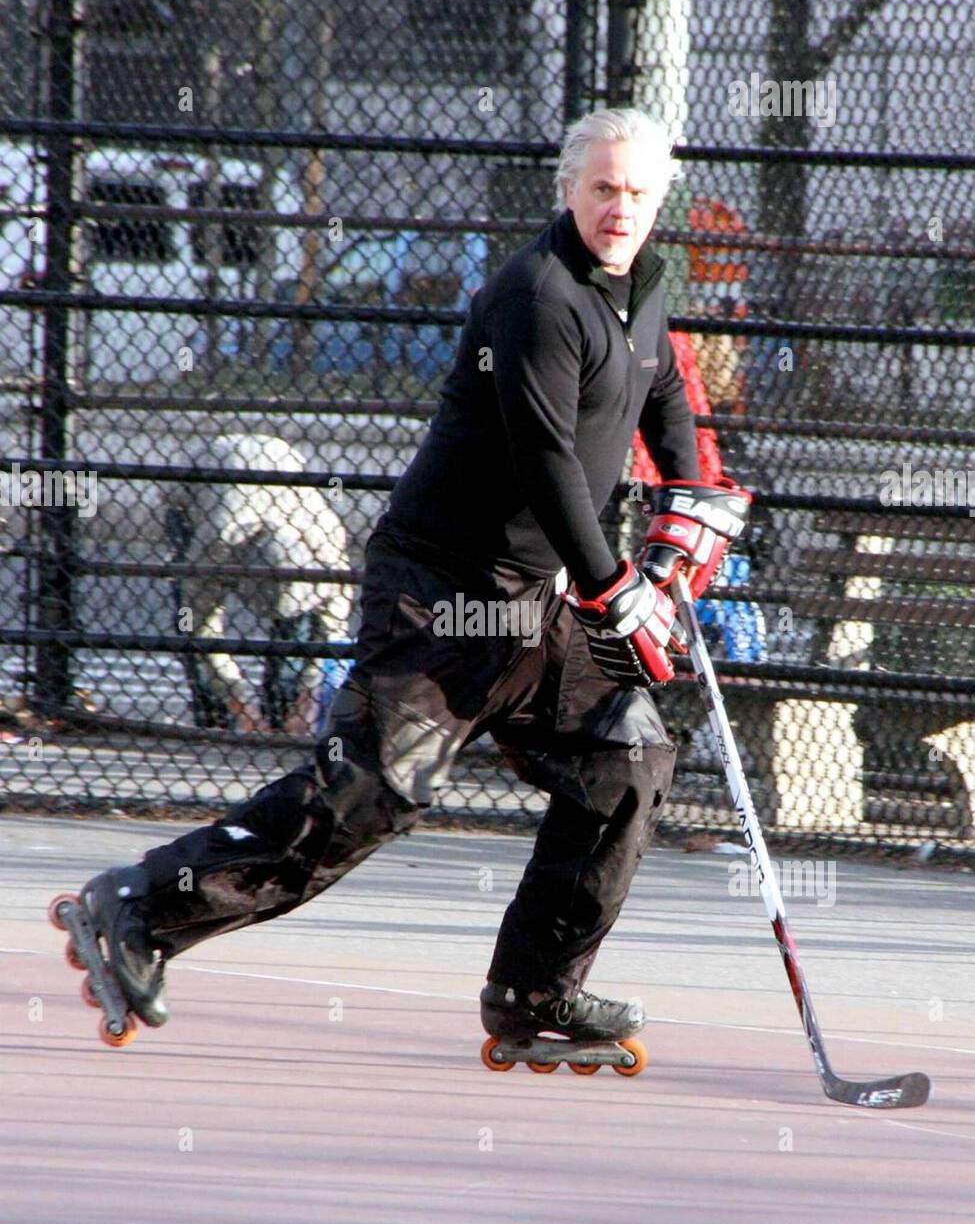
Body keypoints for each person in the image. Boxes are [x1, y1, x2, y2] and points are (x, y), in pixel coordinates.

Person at [72, 108, 749, 1051]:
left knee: (622, 762)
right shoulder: (537, 296)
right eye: (601, 188)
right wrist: (613, 586)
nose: (618, 206)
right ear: (566, 189)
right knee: (370, 794)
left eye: (636, 191)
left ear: (659, 195)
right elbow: (546, 460)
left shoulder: (643, 283)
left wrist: (688, 500)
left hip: (540, 597)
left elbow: (661, 389)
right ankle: (143, 907)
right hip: (443, 589)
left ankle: (534, 994)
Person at [163, 433, 354, 733]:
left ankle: (284, 707)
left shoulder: (328, 547)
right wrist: (243, 708)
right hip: (198, 488)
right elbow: (203, 627)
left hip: (278, 465)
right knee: (187, 617)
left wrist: (307, 701)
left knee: (301, 631)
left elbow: (332, 635)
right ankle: (214, 714)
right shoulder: (215, 545)